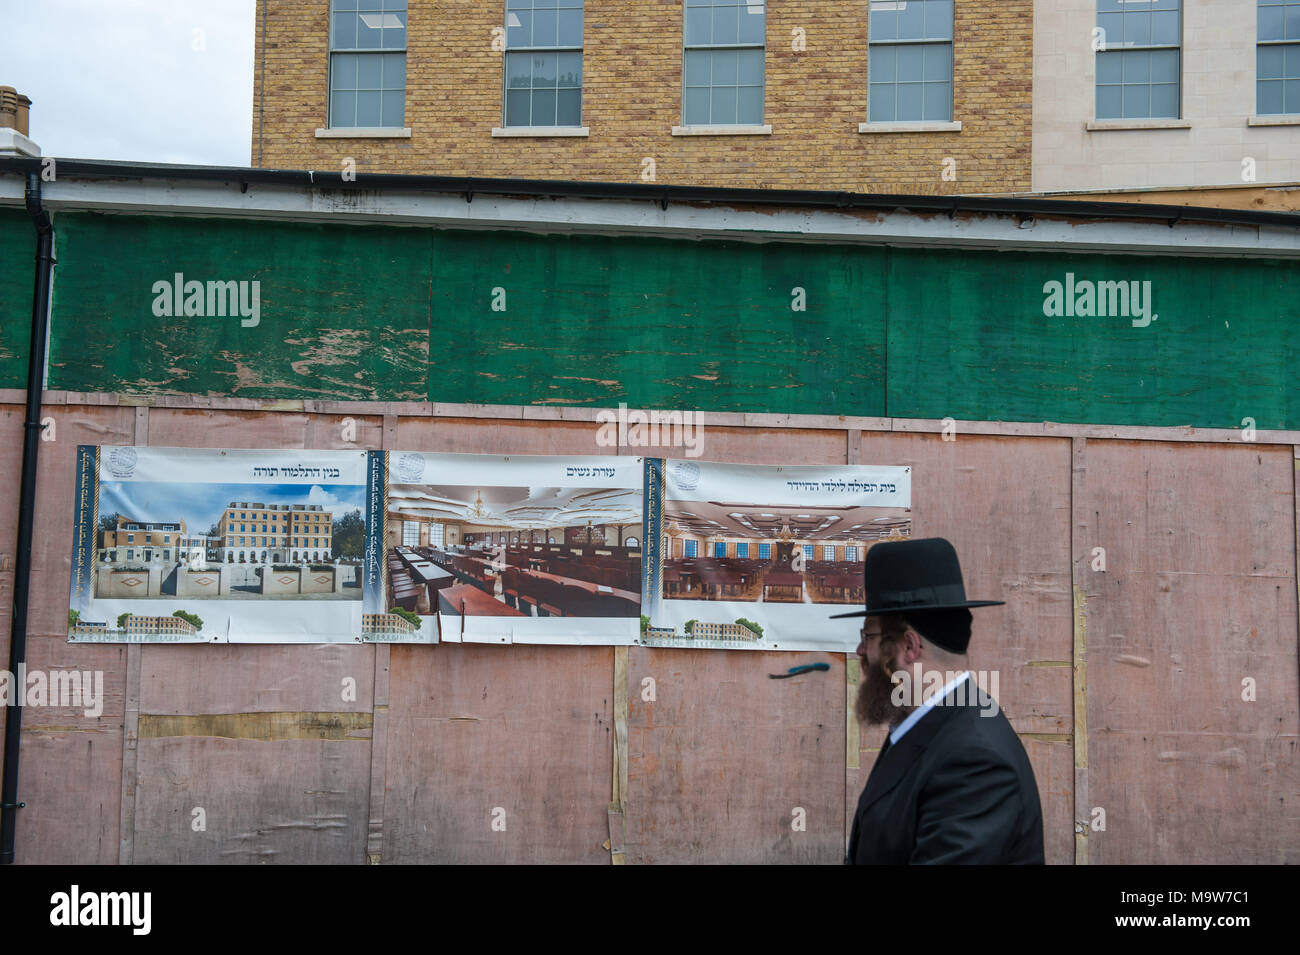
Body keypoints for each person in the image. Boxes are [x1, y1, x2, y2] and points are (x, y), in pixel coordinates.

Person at [831, 537, 1044, 864]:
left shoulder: (974, 759)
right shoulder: (924, 728)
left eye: (868, 637)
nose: (861, 651)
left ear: (908, 646)